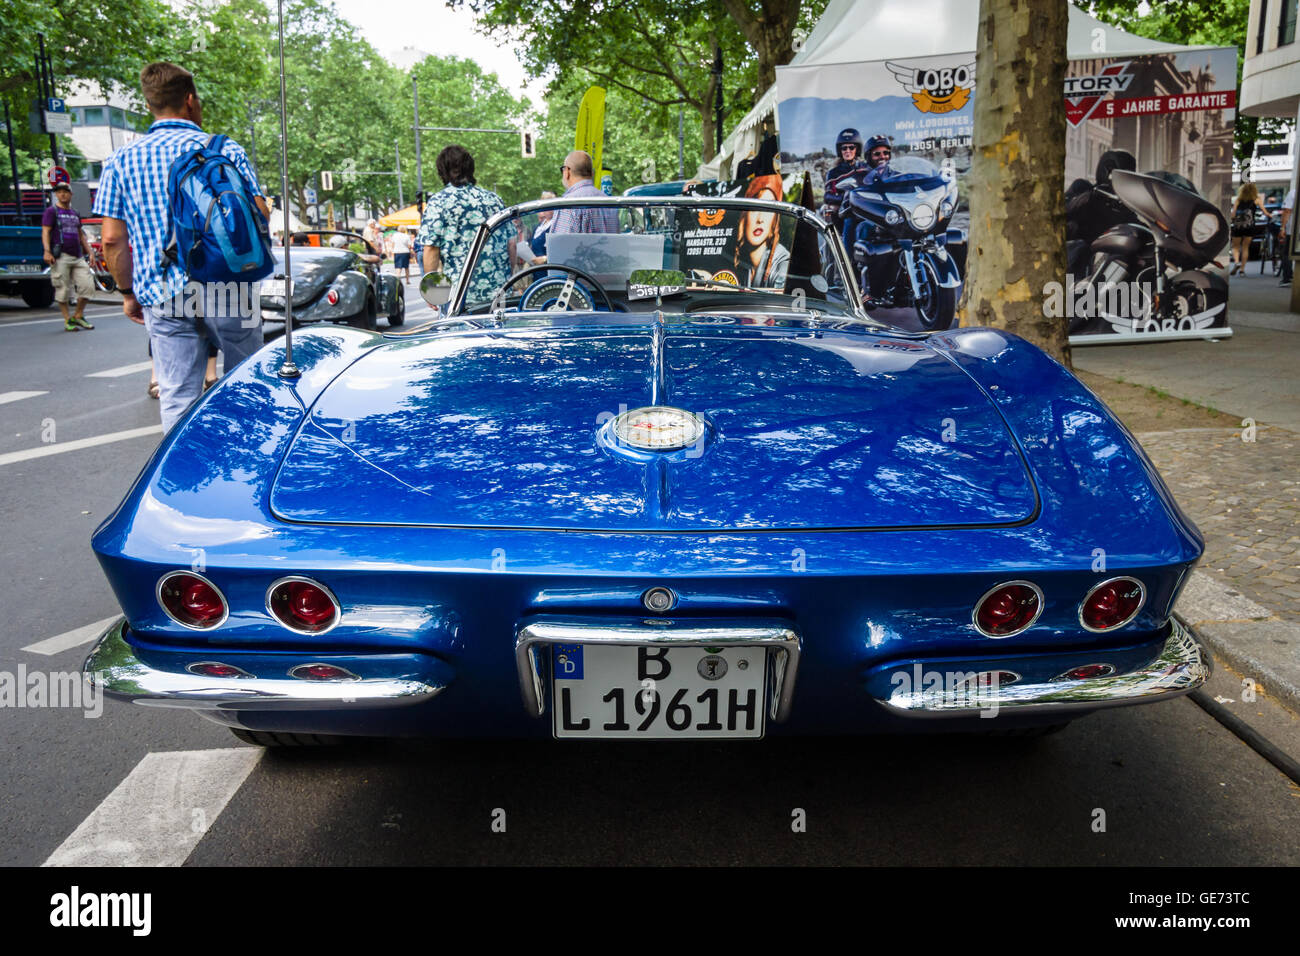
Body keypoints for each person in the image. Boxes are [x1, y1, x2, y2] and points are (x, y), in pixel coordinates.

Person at [94, 61, 270, 433]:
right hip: (229, 285)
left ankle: (184, 481)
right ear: (190, 100)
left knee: (177, 395)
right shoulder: (225, 149)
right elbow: (259, 214)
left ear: (150, 104)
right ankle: (249, 471)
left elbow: (111, 238)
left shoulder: (121, 160)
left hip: (162, 291)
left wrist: (127, 292)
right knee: (249, 385)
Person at [416, 144, 510, 300]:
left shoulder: (439, 202)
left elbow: (431, 249)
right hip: (499, 293)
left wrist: (432, 293)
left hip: (458, 295)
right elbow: (511, 244)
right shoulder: (494, 200)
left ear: (442, 171)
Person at [42, 182, 96, 331]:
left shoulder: (75, 213)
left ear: (71, 194)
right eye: (59, 192)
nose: (62, 194)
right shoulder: (51, 211)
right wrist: (47, 251)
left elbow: (81, 235)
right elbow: (46, 231)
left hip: (77, 255)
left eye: (65, 192)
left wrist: (90, 252)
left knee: (87, 285)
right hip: (60, 256)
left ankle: (78, 315)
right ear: (56, 195)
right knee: (62, 289)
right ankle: (68, 320)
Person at [733, 174, 788, 289]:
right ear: (745, 215)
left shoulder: (782, 264)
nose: (760, 219)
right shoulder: (743, 264)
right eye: (755, 207)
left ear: (775, 219)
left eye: (769, 209)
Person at [549, 151, 619, 236]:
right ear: (592, 174)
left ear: (567, 171)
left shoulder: (567, 205)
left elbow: (559, 244)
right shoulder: (610, 204)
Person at [1230, 182, 1273, 275]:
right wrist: (1270, 215)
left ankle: (1237, 262)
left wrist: (1232, 218)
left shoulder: (1238, 199)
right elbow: (1265, 212)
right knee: (1245, 248)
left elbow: (1233, 214)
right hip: (1249, 226)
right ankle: (1242, 270)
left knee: (1236, 247)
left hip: (1238, 226)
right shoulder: (1256, 199)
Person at [1279, 187, 1294, 286]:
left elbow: (1287, 211)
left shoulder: (1293, 193)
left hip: (1293, 229)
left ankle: (1287, 278)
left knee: (1287, 254)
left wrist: (1283, 227)